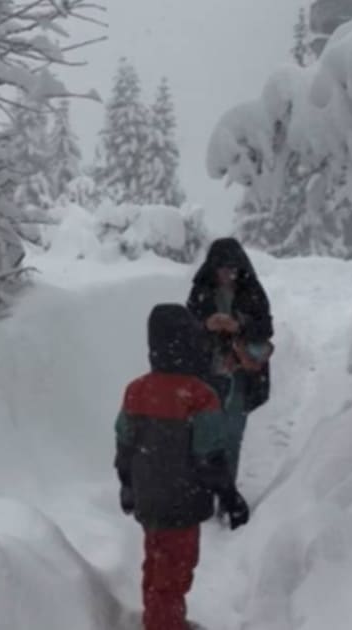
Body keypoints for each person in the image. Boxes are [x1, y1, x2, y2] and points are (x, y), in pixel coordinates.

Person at [115, 303, 249, 630]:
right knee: (175, 572)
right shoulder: (199, 395)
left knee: (156, 563)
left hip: (149, 499)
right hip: (183, 502)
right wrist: (231, 498)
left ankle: (157, 619)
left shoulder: (136, 390)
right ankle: (166, 625)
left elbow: (124, 446)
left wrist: (128, 486)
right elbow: (209, 458)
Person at [187, 237, 274, 484]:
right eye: (223, 269)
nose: (229, 275)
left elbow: (266, 327)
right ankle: (205, 489)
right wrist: (206, 325)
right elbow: (186, 329)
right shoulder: (201, 292)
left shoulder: (252, 291)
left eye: (233, 269)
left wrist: (240, 325)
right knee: (206, 433)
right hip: (208, 372)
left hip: (241, 373)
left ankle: (226, 491)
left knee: (232, 434)